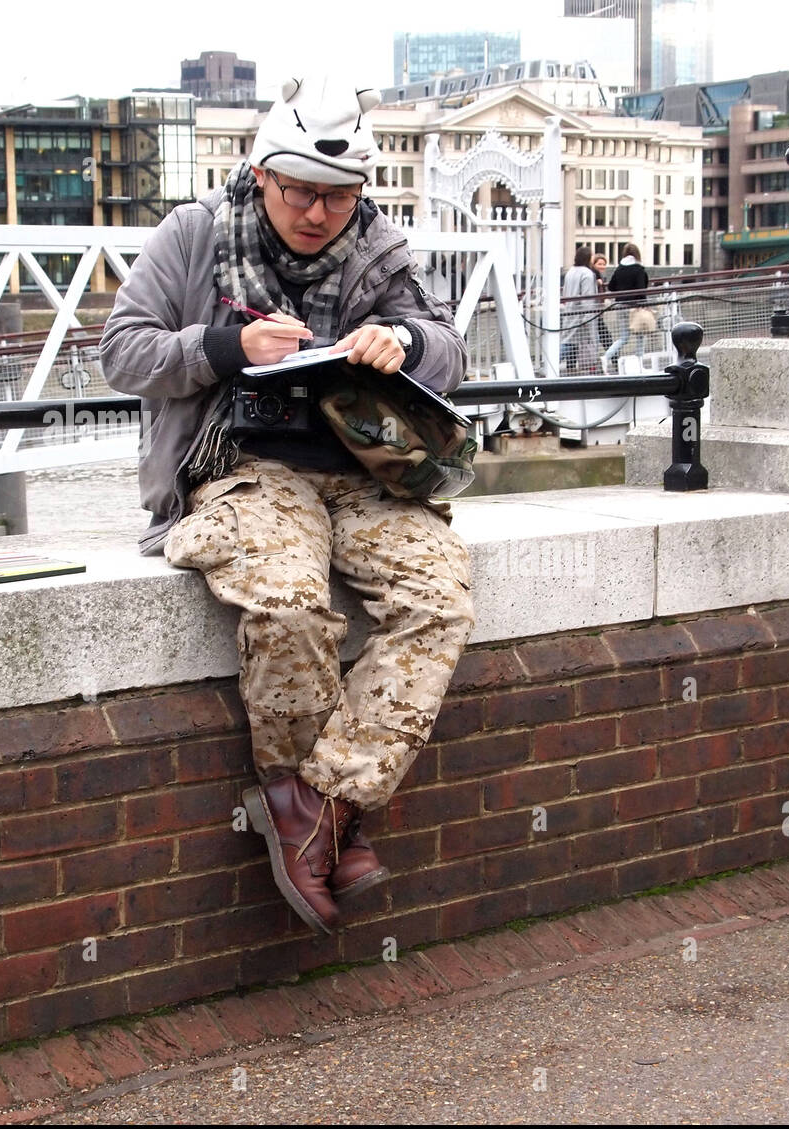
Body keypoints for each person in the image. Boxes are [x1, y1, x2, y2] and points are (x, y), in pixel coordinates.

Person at [99, 72, 475, 937]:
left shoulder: (381, 250)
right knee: (290, 604)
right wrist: (229, 347)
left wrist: (405, 340)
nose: (319, 213)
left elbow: (449, 346)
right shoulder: (192, 235)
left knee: (437, 598)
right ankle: (328, 829)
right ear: (262, 173)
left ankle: (317, 810)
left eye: (339, 199)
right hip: (241, 465)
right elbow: (121, 354)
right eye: (302, 192)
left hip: (366, 475)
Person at [604, 243, 651, 367]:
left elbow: (611, 287)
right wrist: (644, 305)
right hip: (635, 307)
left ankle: (606, 357)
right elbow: (641, 290)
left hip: (620, 305)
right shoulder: (639, 269)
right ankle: (639, 362)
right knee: (640, 335)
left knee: (623, 337)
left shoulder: (619, 268)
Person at [559, 246, 600, 374]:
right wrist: (588, 318)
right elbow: (587, 298)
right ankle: (551, 363)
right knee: (571, 343)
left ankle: (568, 368)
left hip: (569, 312)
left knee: (568, 341)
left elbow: (565, 293)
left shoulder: (571, 271)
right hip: (581, 316)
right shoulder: (587, 274)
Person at [592, 252, 613, 354]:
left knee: (602, 336)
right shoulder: (594, 277)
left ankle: (612, 358)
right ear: (594, 264)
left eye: (604, 264)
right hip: (594, 311)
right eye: (599, 264)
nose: (602, 266)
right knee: (604, 336)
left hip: (598, 311)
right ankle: (613, 359)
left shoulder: (599, 277)